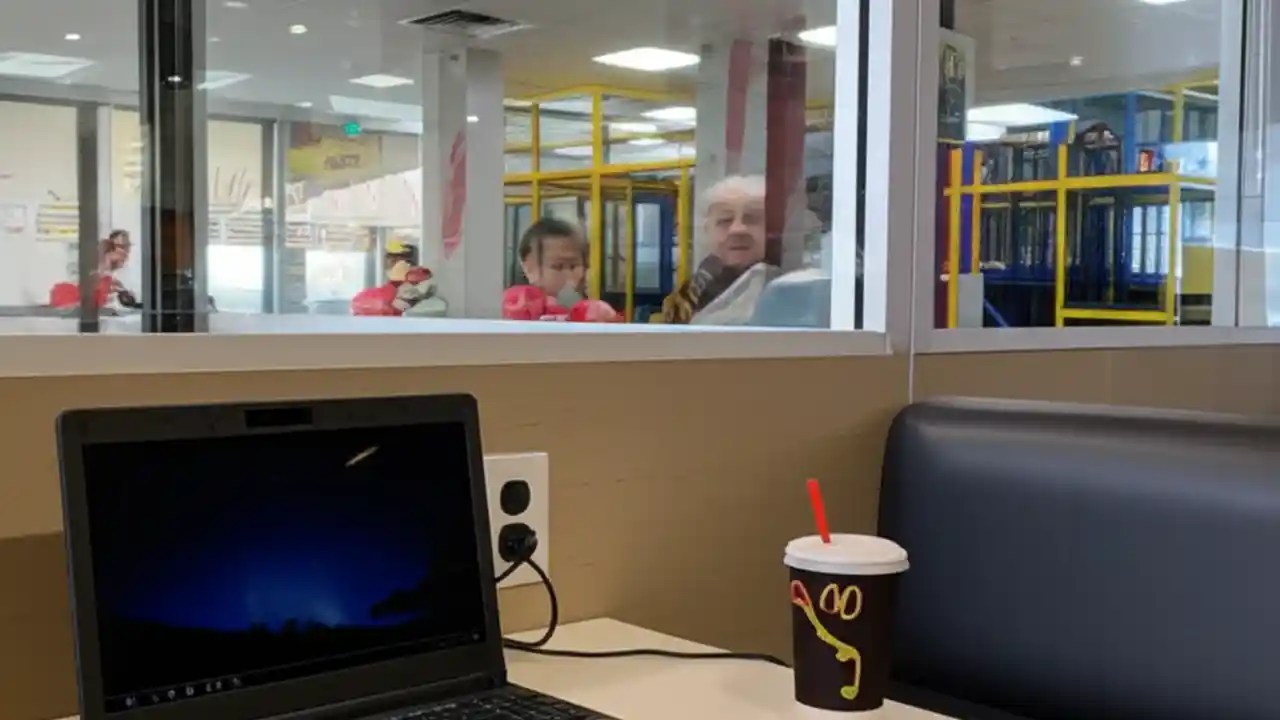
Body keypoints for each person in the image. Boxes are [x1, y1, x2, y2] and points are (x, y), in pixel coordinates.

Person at [663, 174, 779, 324]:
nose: (737, 229)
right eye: (725, 220)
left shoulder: (789, 289)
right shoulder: (690, 295)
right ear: (707, 230)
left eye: (751, 218)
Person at [502, 217, 619, 322]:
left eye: (573, 266)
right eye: (558, 267)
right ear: (528, 268)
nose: (568, 275)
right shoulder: (517, 303)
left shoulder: (595, 311)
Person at [49, 230, 141, 311]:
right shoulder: (95, 276)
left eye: (126, 247)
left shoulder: (120, 277)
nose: (124, 252)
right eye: (120, 247)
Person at [351, 240, 445, 317]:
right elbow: (359, 305)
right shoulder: (370, 295)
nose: (395, 264)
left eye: (400, 260)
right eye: (391, 260)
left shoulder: (422, 288)